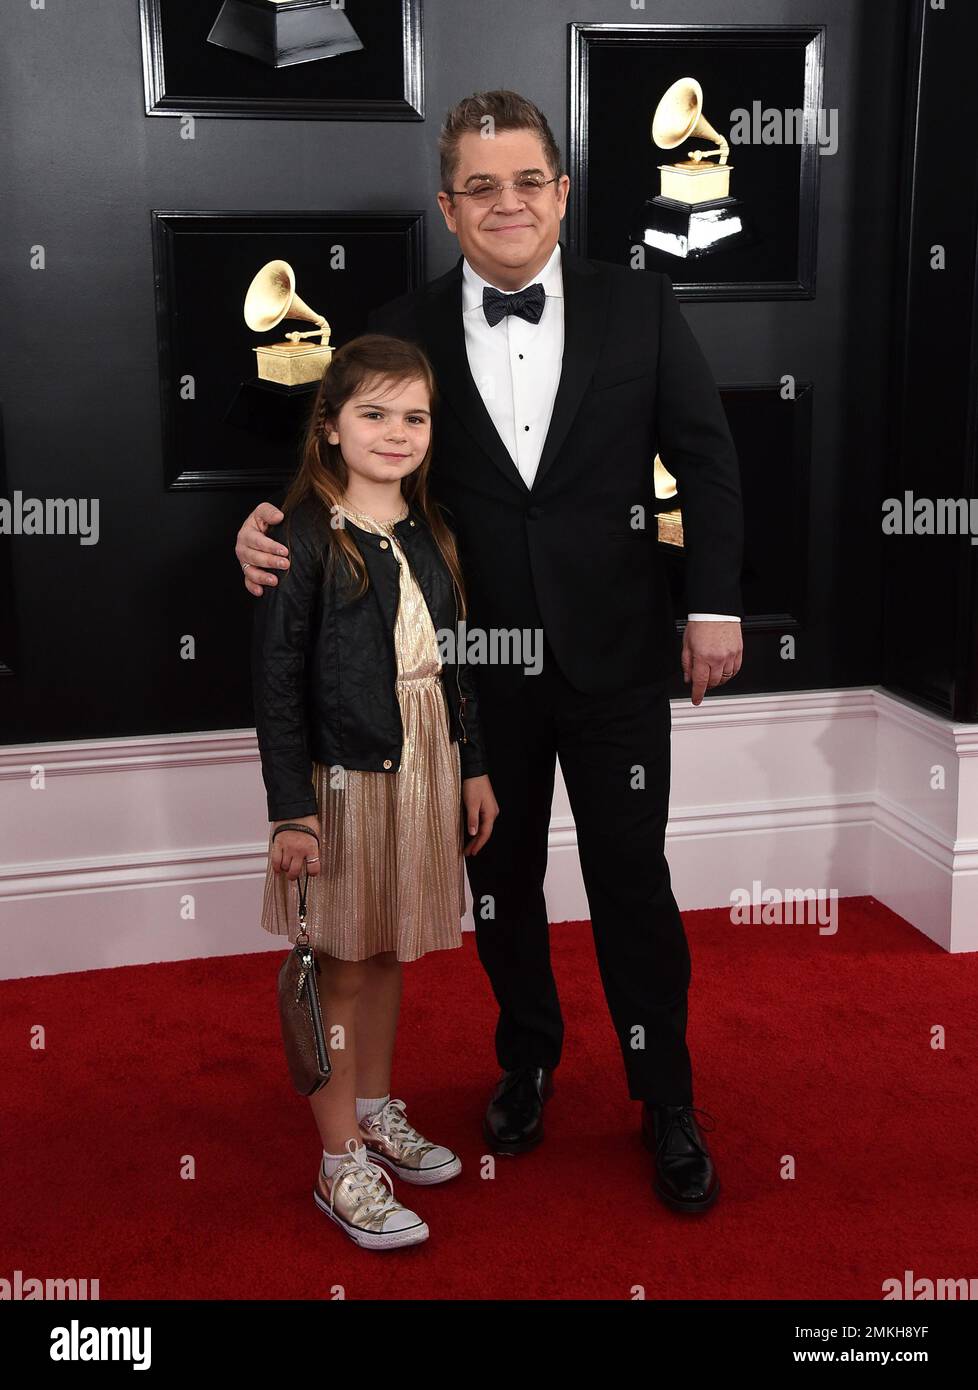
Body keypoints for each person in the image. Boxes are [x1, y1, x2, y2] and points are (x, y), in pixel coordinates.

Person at [239, 90, 743, 1215]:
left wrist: (714, 605)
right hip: (470, 680)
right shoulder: (397, 324)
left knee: (632, 885)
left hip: (616, 658)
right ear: (449, 206)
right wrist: (258, 530)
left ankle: (665, 1097)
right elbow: (338, 471)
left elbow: (707, 465)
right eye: (481, 186)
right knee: (502, 886)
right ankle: (528, 1062)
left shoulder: (644, 306)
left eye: (528, 181)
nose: (506, 203)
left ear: (561, 194)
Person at [252, 332, 498, 1250]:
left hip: (426, 764)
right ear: (329, 427)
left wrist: (471, 763)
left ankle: (378, 1109)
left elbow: (455, 665)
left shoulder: (433, 531)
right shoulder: (303, 538)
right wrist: (292, 808)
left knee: (389, 950)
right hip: (343, 780)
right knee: (340, 962)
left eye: (415, 416)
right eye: (374, 413)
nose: (396, 433)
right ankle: (337, 1158)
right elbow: (278, 681)